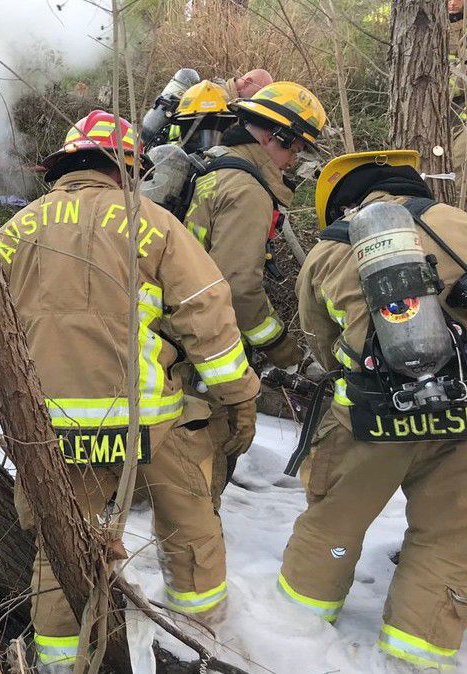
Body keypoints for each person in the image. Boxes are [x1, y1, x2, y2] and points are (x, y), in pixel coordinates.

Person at [0, 110, 260, 672]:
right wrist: (238, 395)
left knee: (61, 547)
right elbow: (207, 310)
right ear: (126, 166)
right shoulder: (154, 223)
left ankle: (61, 662)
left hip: (50, 427)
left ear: (64, 166)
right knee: (189, 524)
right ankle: (200, 638)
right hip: (146, 422)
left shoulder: (16, 230)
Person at [280, 150, 467, 670]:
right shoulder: (459, 224)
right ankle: (417, 656)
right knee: (447, 540)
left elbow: (319, 338)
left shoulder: (330, 248)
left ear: (344, 202)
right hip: (462, 420)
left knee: (332, 527)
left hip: (369, 422)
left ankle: (292, 637)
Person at [177, 81, 327, 498]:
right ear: (272, 136)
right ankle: (196, 533)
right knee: (217, 442)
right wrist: (286, 351)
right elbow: (239, 290)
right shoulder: (246, 189)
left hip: (169, 334)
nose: (295, 160)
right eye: (294, 148)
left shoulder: (211, 167)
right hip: (200, 343)